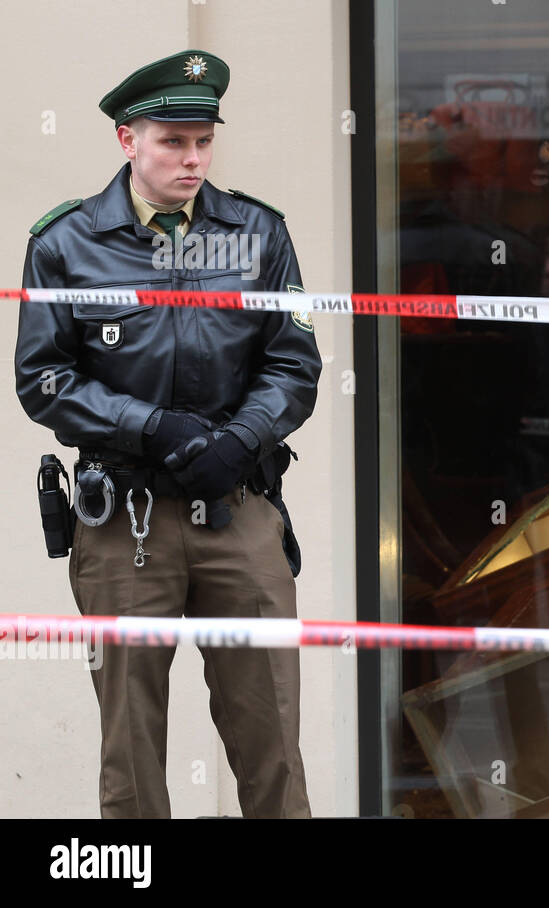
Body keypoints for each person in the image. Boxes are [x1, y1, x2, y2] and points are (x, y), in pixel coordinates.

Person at [15, 50, 322, 818]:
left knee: (272, 742)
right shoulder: (66, 243)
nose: (192, 158)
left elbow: (295, 364)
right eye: (171, 141)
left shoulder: (257, 232)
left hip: (239, 505)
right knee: (130, 748)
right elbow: (42, 379)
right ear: (127, 139)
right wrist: (149, 427)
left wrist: (238, 439)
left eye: (203, 141)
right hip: (126, 518)